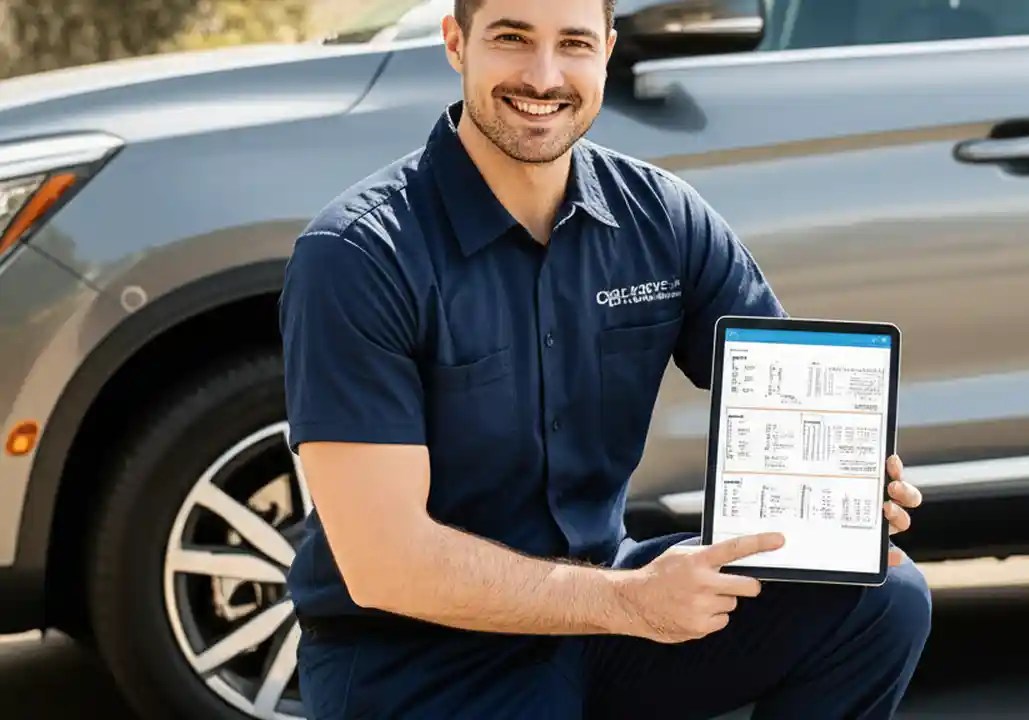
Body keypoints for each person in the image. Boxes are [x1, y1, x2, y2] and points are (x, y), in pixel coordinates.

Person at [278, 0, 931, 717]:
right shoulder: (358, 256)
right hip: (417, 656)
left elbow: (789, 406)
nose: (544, 75)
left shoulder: (663, 220)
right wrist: (631, 603)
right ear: (456, 43)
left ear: (608, 52)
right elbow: (385, 565)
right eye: (513, 38)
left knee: (881, 597)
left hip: (599, 616)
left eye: (574, 44)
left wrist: (841, 491)